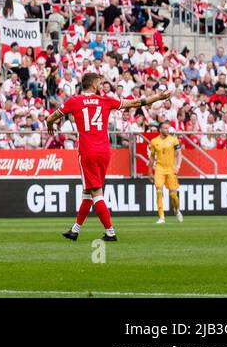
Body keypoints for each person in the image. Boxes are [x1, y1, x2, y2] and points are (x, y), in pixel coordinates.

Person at [46, 72, 171, 241]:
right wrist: (156, 97)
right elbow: (134, 102)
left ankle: (110, 232)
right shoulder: (105, 100)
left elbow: (52, 116)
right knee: (88, 192)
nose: (101, 85)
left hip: (87, 151)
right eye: (99, 82)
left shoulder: (74, 101)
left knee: (96, 192)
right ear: (93, 85)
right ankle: (75, 230)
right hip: (104, 151)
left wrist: (50, 124)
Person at [147, 122, 183, 224]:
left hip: (171, 169)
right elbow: (152, 157)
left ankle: (177, 210)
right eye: (165, 128)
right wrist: (149, 172)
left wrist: (178, 166)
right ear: (160, 130)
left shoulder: (173, 140)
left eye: (168, 128)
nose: (168, 130)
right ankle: (161, 217)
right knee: (159, 191)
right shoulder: (154, 141)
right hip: (159, 169)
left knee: (173, 195)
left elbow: (179, 154)